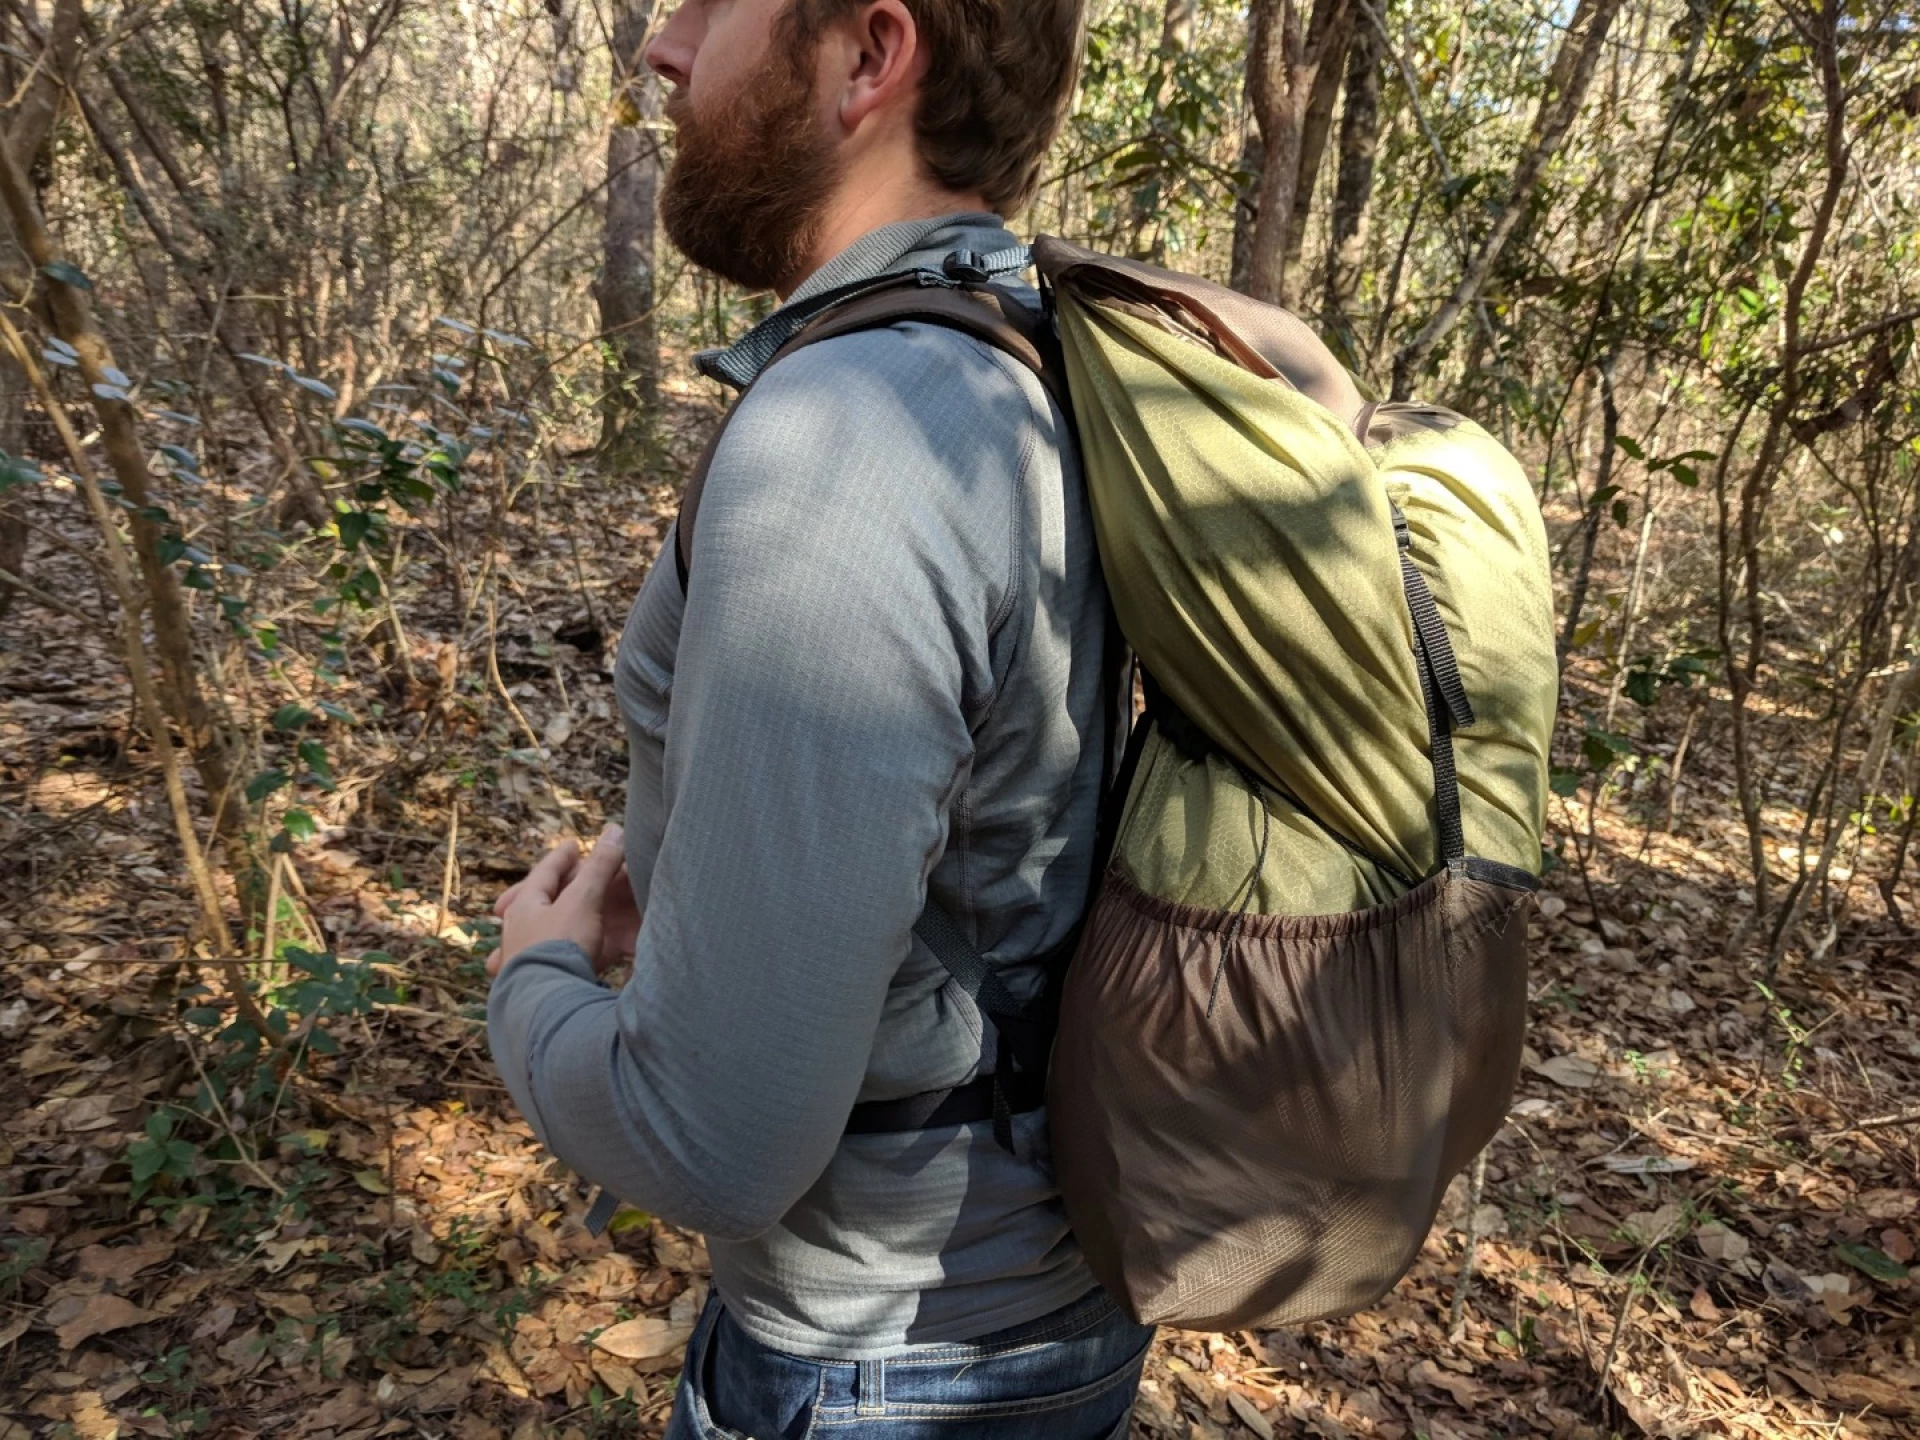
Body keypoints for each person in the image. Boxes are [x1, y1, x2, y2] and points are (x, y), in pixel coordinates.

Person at [486, 0, 1148, 1433]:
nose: (661, 47)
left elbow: (711, 1143)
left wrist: (530, 981)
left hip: (881, 1366)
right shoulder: (1044, 362)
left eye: (710, 6)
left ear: (869, 55)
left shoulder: (852, 434)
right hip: (1050, 1313)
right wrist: (703, 901)